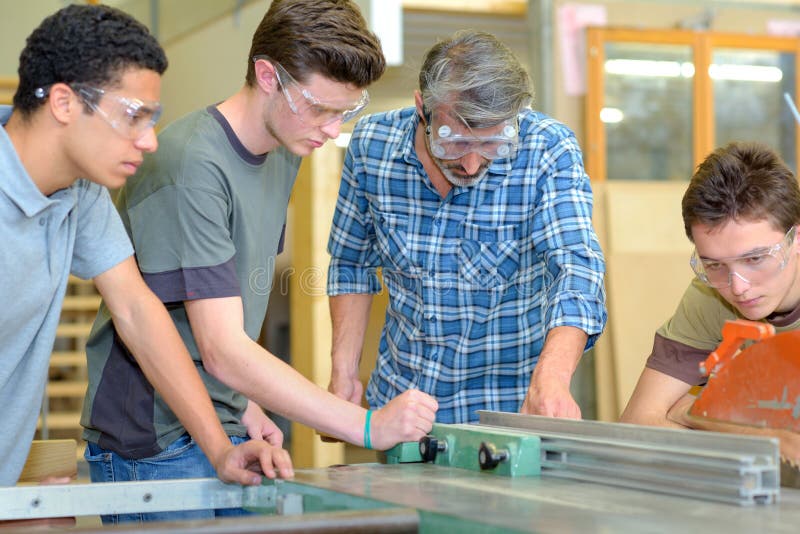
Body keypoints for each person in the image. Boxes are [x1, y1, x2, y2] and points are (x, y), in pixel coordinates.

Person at [81, 0, 438, 523]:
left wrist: (243, 404)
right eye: (320, 108)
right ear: (268, 75)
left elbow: (222, 311)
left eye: (346, 111)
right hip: (154, 443)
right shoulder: (189, 165)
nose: (332, 129)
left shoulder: (285, 151)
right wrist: (363, 427)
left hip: (218, 426)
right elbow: (221, 348)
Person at [0, 4, 291, 488]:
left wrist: (219, 448)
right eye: (134, 117)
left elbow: (138, 311)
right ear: (65, 103)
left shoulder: (82, 193)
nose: (150, 140)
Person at [326, 30, 607, 424]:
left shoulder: (547, 149)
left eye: (493, 144)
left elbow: (576, 269)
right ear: (422, 109)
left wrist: (553, 380)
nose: (472, 165)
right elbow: (351, 264)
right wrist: (343, 375)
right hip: (402, 408)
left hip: (510, 411)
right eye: (454, 143)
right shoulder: (372, 146)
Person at [621, 141, 800, 462]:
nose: (737, 288)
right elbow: (638, 423)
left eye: (756, 258)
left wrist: (694, 413)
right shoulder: (709, 295)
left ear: (796, 237)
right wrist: (765, 440)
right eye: (714, 265)